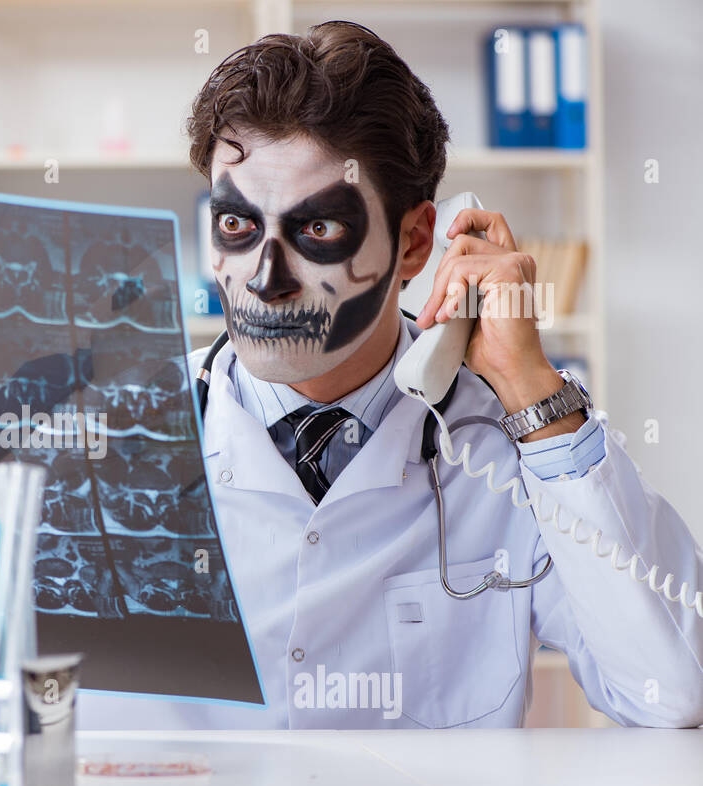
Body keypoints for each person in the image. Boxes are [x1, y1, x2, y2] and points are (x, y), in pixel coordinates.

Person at [78, 21, 703, 730]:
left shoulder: (503, 447)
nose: (265, 279)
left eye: (317, 231)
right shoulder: (106, 433)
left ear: (413, 242)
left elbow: (674, 690)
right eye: (236, 228)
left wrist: (532, 387)